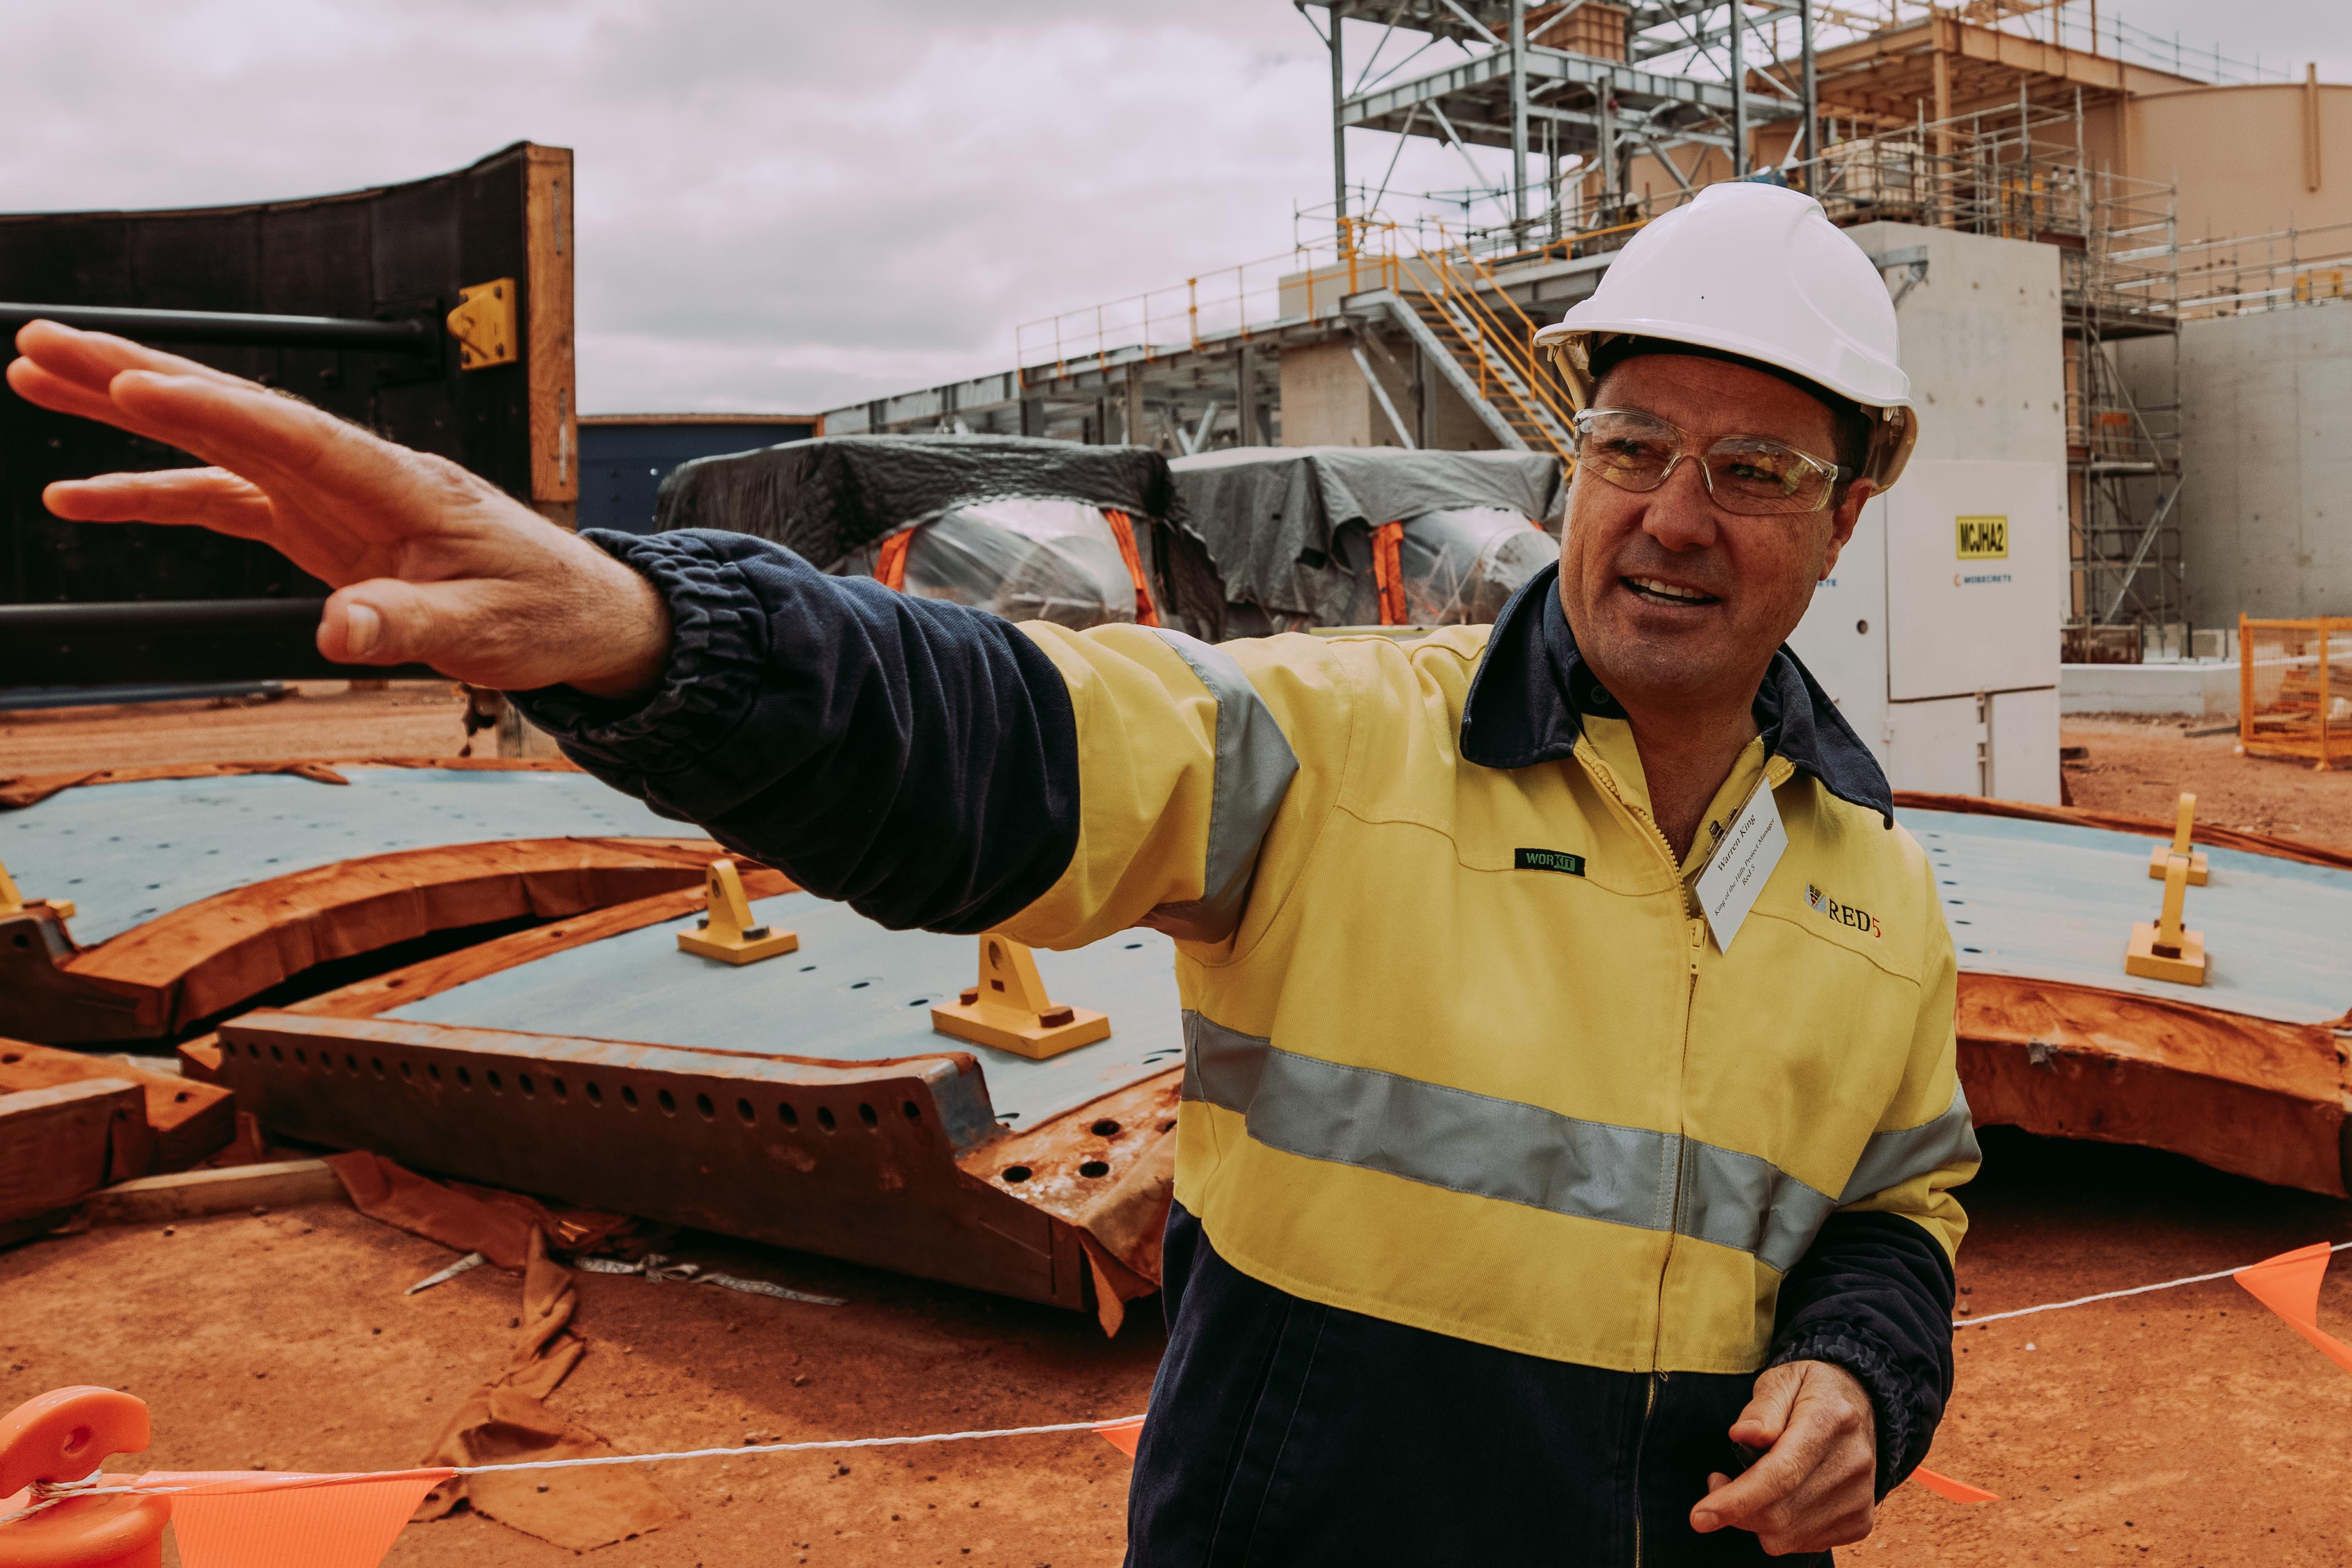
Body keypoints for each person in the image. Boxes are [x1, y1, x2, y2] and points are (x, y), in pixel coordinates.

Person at [8, 180, 1973, 1565]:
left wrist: (1861, 1377)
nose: (1670, 516)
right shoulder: (1340, 748)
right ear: (1570, 463)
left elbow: (1901, 1205)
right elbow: (998, 740)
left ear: (1852, 503)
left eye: (1756, 469)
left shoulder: (1869, 883)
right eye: (1632, 445)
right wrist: (644, 631)